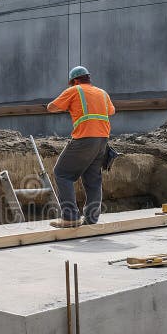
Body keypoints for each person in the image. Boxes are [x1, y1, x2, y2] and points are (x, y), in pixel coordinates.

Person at [45, 66, 116, 227]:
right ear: (88, 78)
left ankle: (70, 217)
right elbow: (111, 111)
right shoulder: (102, 93)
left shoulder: (75, 90)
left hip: (84, 138)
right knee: (93, 179)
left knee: (62, 173)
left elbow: (52, 107)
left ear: (75, 81)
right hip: (102, 140)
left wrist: (69, 104)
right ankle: (91, 219)